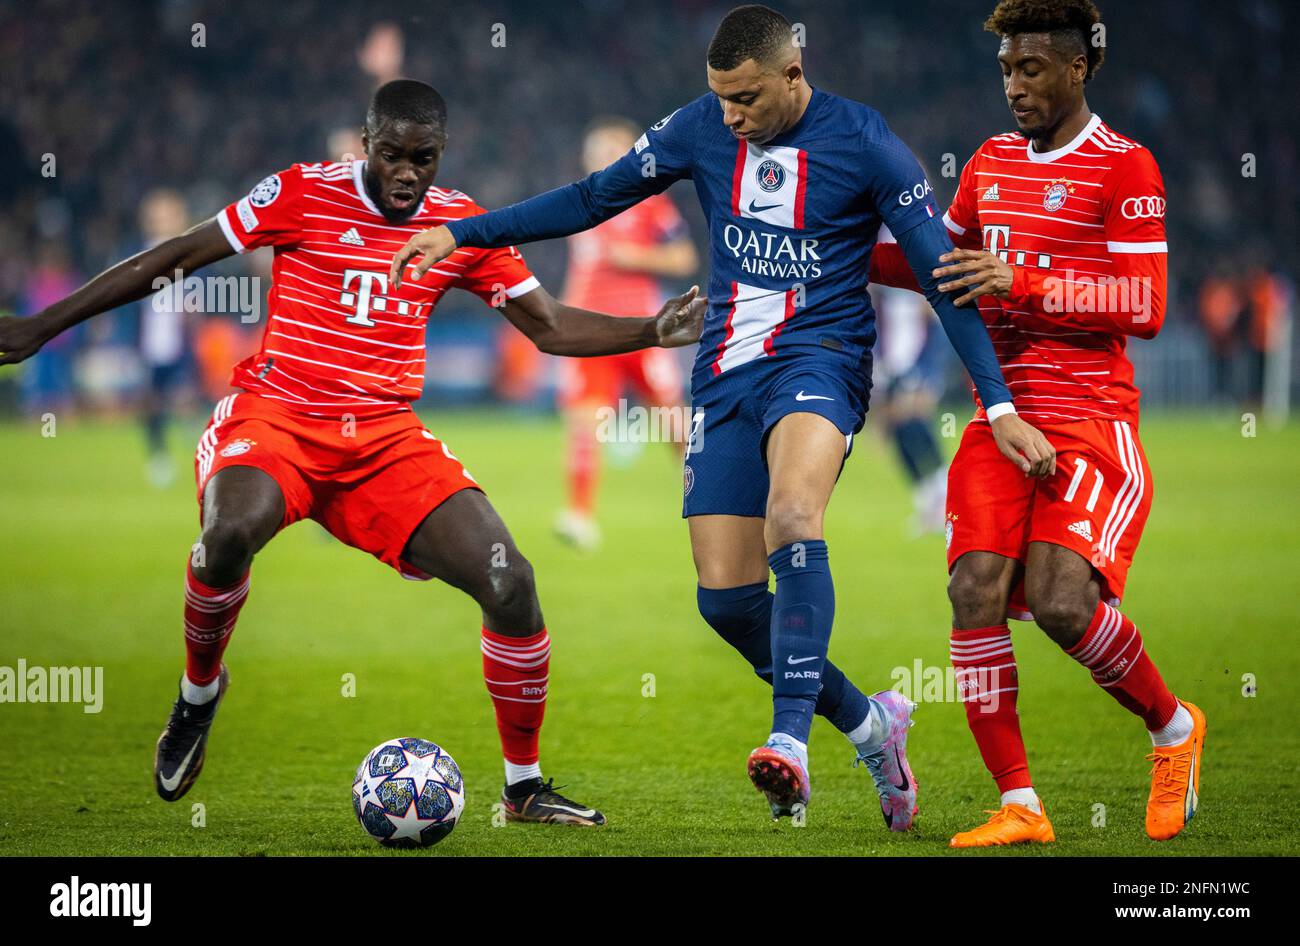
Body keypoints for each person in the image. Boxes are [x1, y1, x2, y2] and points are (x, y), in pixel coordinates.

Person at [390, 5, 1055, 828]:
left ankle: (790, 744)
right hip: (725, 370)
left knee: (793, 515)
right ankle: (871, 723)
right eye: (721, 99)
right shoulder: (702, 126)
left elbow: (945, 275)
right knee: (730, 603)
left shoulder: (867, 142)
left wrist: (996, 404)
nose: (731, 115)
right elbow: (593, 198)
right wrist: (464, 232)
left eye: (745, 98)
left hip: (823, 359)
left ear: (792, 75)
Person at [0, 79, 706, 836]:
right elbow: (179, 253)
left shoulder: (461, 223)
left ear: (440, 155)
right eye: (393, 155)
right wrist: (44, 324)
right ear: (365, 145)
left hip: (383, 438)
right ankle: (198, 695)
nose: (407, 173)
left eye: (423, 159)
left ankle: (525, 789)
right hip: (278, 416)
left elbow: (551, 324)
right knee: (226, 537)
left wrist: (650, 329)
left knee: (511, 582)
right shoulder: (301, 193)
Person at [872, 0, 1204, 846]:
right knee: (970, 589)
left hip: (1091, 419)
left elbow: (1147, 305)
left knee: (1062, 603)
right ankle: (1020, 804)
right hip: (999, 413)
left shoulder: (1126, 168)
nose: (1014, 86)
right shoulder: (988, 162)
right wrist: (822, 245)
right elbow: (940, 268)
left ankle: (1172, 730)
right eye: (1005, 70)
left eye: (1031, 70)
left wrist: (1018, 282)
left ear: (1077, 69)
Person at [555, 115, 699, 550]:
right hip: (593, 330)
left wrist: (631, 256)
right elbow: (580, 273)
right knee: (584, 422)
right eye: (593, 153)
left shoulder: (652, 204)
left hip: (643, 329)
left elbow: (684, 260)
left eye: (607, 151)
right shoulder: (581, 205)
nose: (598, 160)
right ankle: (579, 516)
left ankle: (709, 497)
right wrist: (560, 321)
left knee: (673, 422)